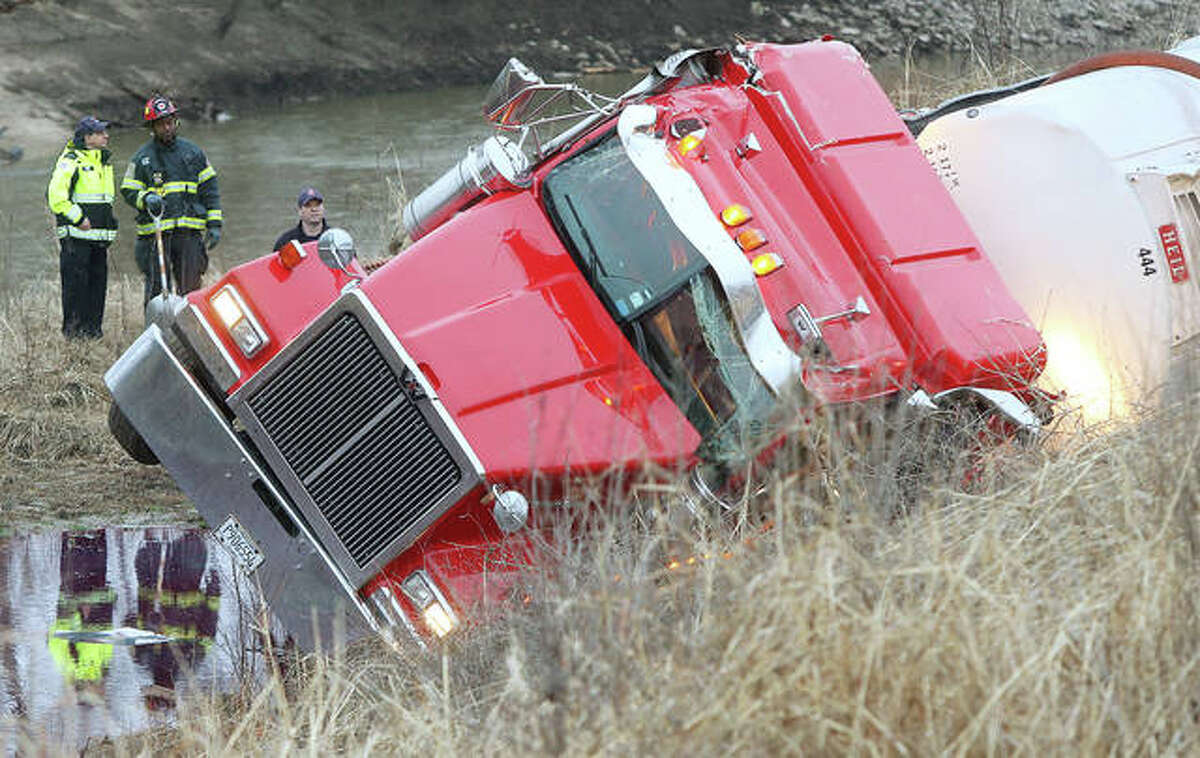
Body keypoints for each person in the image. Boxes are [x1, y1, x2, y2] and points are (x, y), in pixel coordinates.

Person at [120, 95, 223, 305]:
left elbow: (210, 190)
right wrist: (145, 198)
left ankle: (190, 324)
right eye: (161, 124)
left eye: (169, 122)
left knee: (191, 290)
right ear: (152, 127)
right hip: (155, 236)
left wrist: (214, 224)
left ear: (176, 122)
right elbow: (128, 190)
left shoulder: (193, 153)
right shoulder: (142, 158)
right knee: (157, 292)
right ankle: (157, 324)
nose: (167, 128)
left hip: (189, 234)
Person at [46, 115, 117, 338]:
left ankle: (93, 334)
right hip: (75, 239)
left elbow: (104, 200)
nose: (106, 136)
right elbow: (56, 197)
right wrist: (78, 219)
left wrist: (110, 226)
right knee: (75, 288)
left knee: (97, 286)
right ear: (87, 137)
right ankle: (73, 337)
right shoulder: (71, 160)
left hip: (98, 239)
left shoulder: (103, 161)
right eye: (100, 132)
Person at [273, 186, 328, 251]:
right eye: (308, 205)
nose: (314, 209)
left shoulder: (334, 238)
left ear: (323, 208)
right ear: (299, 211)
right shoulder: (286, 241)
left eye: (317, 205)